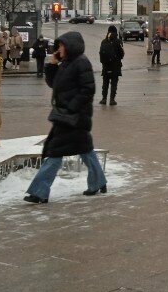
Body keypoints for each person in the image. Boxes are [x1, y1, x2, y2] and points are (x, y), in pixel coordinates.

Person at [25, 31, 107, 203]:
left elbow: (88, 90)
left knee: (55, 152)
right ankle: (98, 182)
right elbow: (54, 84)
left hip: (73, 117)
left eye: (61, 46)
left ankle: (39, 192)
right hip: (66, 116)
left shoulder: (81, 63)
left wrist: (71, 107)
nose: (58, 49)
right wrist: (52, 65)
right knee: (85, 151)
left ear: (70, 46)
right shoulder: (67, 63)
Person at [98, 25, 124, 106]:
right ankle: (112, 99)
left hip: (105, 66)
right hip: (115, 66)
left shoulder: (103, 41)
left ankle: (104, 99)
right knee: (114, 82)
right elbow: (121, 54)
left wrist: (103, 62)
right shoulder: (118, 41)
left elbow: (101, 54)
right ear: (115, 32)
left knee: (105, 82)